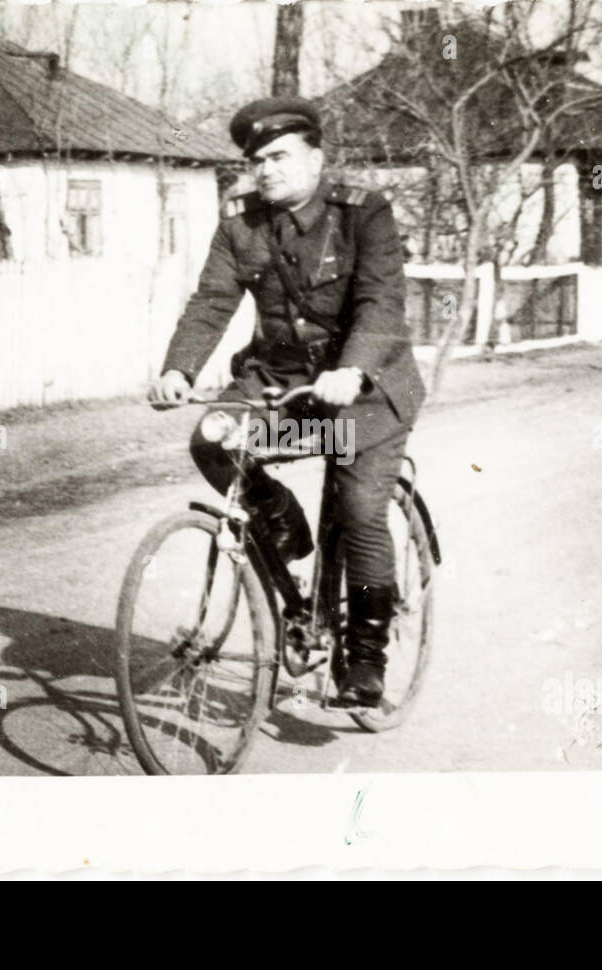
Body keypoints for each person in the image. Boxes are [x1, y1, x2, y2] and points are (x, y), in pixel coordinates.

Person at [149, 96, 426, 707]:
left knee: (357, 508)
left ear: (315, 157)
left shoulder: (363, 213)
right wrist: (178, 368)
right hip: (280, 382)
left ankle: (365, 659)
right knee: (213, 438)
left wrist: (352, 369)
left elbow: (382, 301)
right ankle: (285, 531)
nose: (267, 169)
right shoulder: (241, 222)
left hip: (367, 392)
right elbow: (212, 301)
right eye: (257, 160)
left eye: (279, 156)